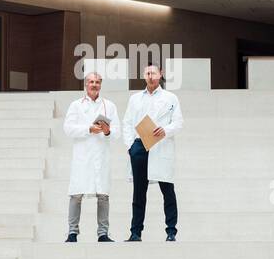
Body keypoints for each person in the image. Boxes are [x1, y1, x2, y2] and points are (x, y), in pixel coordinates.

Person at [121, 63, 184, 241]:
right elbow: (127, 123)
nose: (150, 76)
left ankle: (171, 231)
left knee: (167, 189)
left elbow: (178, 123)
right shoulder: (135, 99)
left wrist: (166, 130)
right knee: (138, 192)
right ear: (144, 75)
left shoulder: (171, 97)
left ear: (160, 74)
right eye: (147, 73)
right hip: (139, 146)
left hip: (160, 145)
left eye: (153, 73)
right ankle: (135, 232)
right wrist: (130, 146)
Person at [62, 71, 120, 242]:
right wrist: (88, 129)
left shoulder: (109, 106)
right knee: (76, 194)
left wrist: (108, 131)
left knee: (103, 195)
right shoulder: (76, 105)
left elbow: (118, 132)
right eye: (91, 82)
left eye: (97, 82)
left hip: (101, 156)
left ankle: (103, 233)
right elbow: (68, 128)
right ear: (85, 84)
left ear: (101, 84)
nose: (94, 85)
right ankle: (72, 232)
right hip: (83, 156)